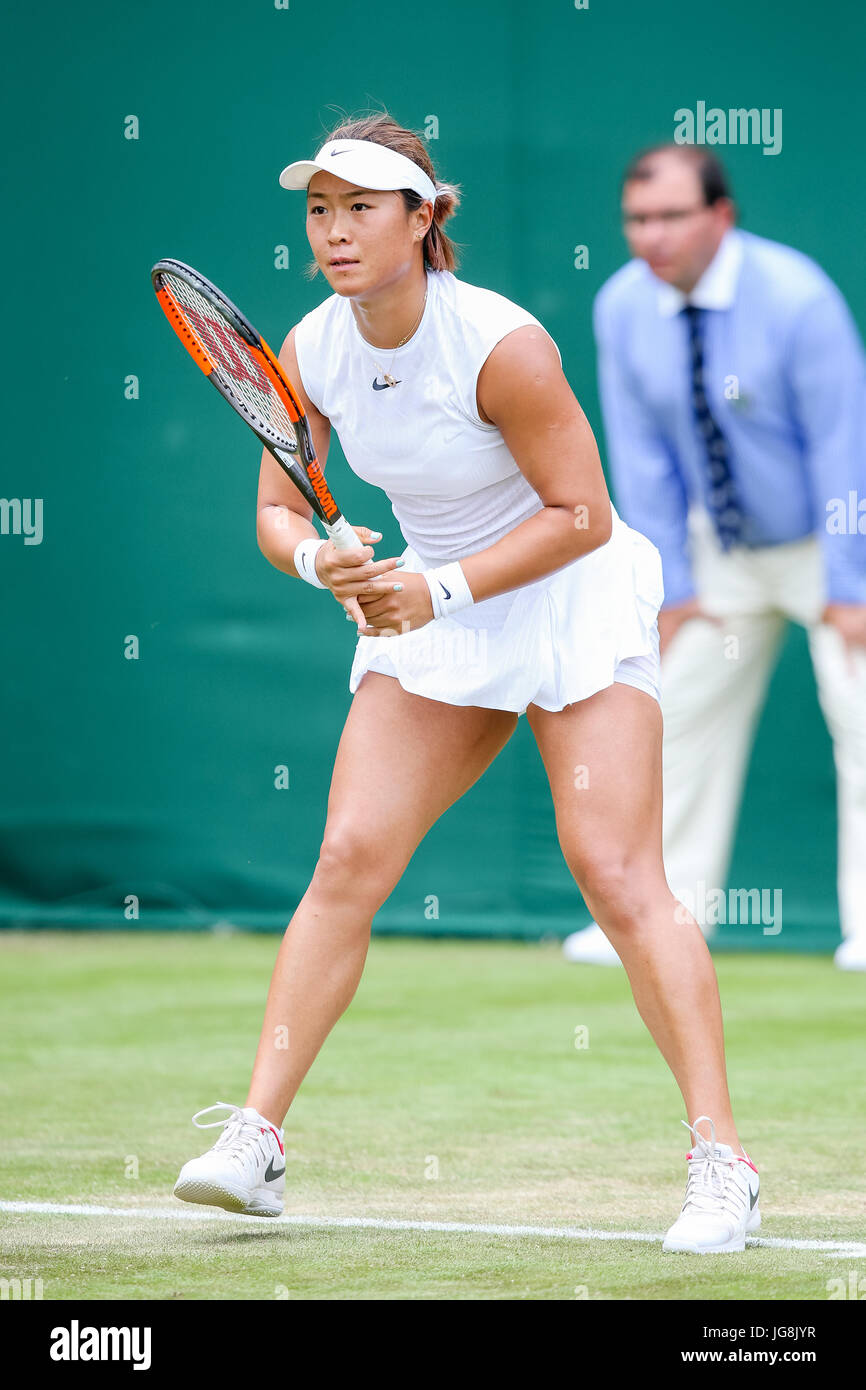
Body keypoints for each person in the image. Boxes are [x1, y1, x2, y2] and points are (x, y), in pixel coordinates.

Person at [172, 114, 760, 1254]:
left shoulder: (500, 345)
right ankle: (257, 1139)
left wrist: (435, 590)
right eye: (318, 210)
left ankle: (719, 1163)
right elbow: (276, 508)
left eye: (361, 207)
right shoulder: (311, 345)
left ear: (423, 218)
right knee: (347, 855)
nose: (334, 232)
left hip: (562, 593)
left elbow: (581, 514)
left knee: (616, 868)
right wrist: (318, 557)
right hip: (431, 612)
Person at [564, 144, 866, 972]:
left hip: (830, 539)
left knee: (862, 714)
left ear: (721, 217)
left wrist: (850, 585)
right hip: (719, 549)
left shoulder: (797, 297)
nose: (650, 236)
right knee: (673, 716)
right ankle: (654, 920)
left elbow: (847, 445)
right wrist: (672, 582)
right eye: (636, 220)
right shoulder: (622, 306)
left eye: (670, 217)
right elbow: (641, 453)